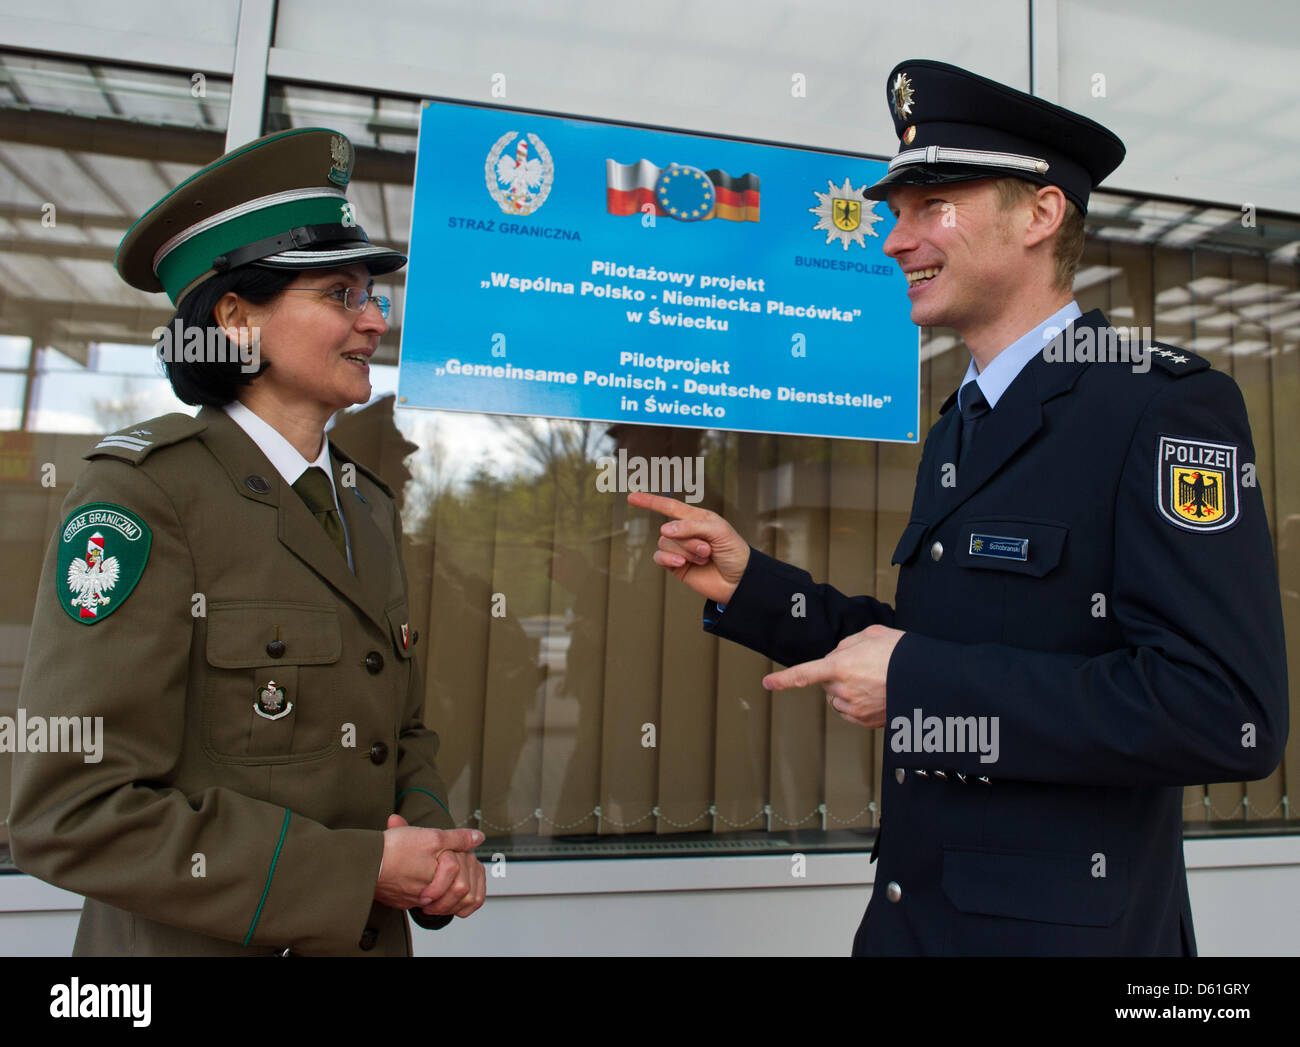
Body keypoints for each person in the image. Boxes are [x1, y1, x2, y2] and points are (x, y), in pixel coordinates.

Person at [630, 59, 1288, 956]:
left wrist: (921, 685)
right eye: (895, 213)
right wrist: (755, 587)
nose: (894, 239)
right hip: (917, 920)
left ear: (1041, 214)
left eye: (930, 205)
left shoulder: (1158, 406)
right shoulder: (962, 420)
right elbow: (937, 645)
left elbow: (1222, 712)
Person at [8, 127, 486, 955]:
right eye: (341, 293)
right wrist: (360, 868)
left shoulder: (363, 508)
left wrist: (436, 851)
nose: (375, 319)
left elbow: (398, 735)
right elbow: (71, 812)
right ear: (235, 318)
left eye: (372, 294)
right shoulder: (145, 493)